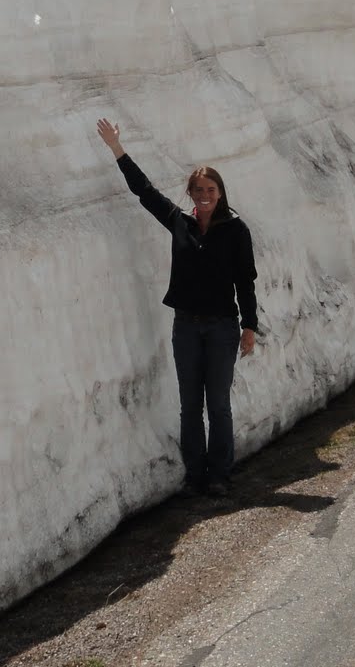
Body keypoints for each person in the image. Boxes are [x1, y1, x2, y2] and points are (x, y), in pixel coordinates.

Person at [97, 117, 257, 498]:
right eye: (197, 189)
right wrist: (117, 149)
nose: (203, 195)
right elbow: (145, 191)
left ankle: (219, 473)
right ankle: (194, 475)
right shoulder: (179, 223)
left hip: (221, 328)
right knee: (189, 406)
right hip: (185, 327)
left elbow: (245, 281)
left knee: (217, 405)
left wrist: (249, 326)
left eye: (210, 189)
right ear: (190, 193)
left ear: (220, 193)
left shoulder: (236, 230)